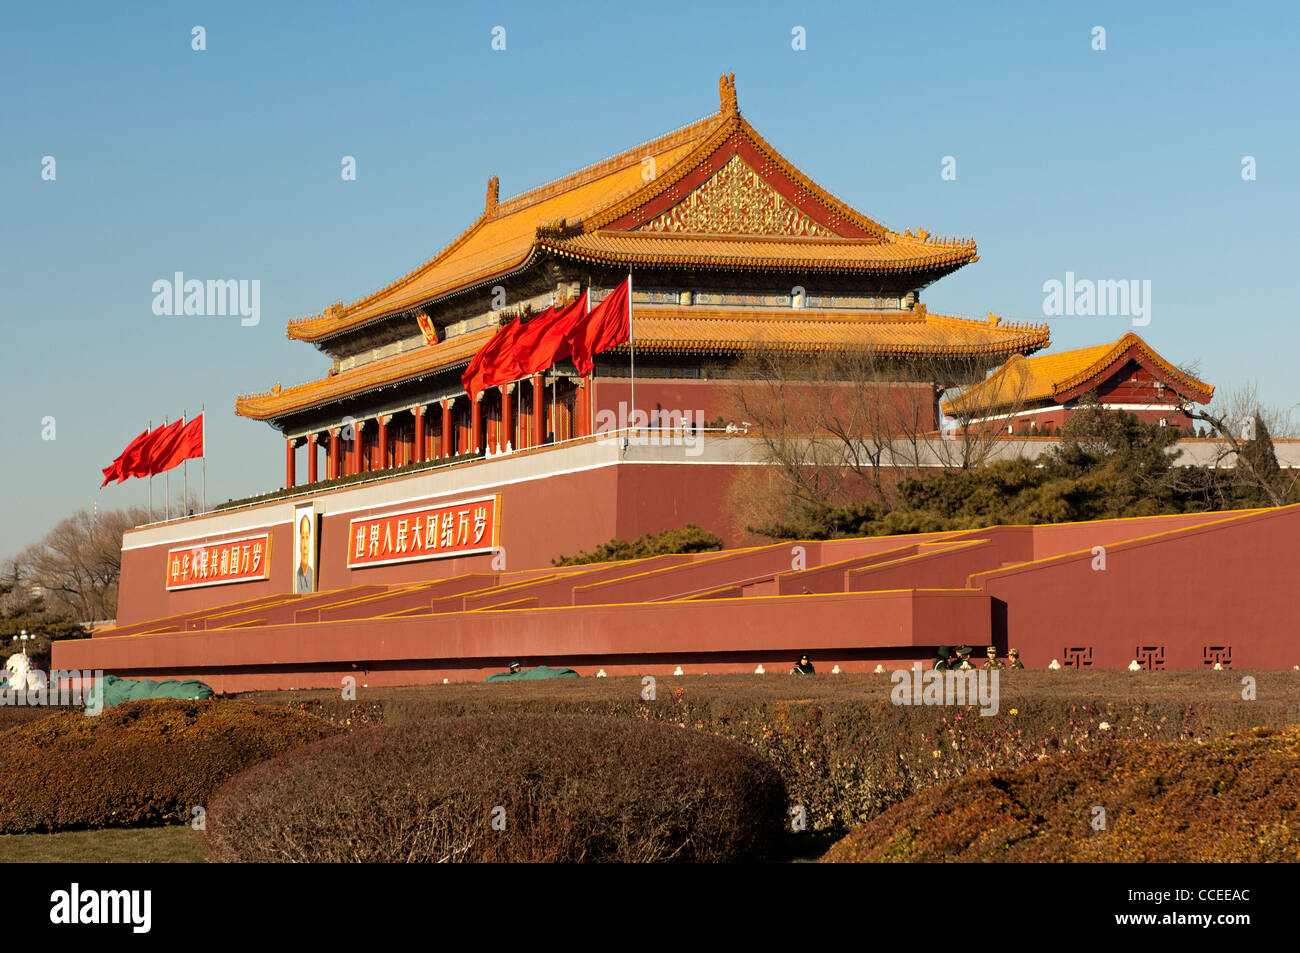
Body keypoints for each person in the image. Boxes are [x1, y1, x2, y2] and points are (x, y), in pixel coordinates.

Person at [295, 515, 314, 593]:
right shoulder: (295, 578)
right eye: (303, 537)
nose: (305, 546)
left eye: (307, 537)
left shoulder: (313, 575)